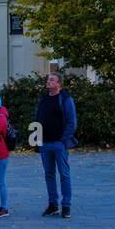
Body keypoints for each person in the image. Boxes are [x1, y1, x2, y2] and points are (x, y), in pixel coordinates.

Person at [35, 71, 77, 218]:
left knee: (64, 175)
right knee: (49, 174)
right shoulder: (44, 99)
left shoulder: (65, 99)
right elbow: (38, 119)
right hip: (44, 144)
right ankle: (53, 205)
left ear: (59, 84)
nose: (48, 82)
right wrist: (37, 141)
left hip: (59, 144)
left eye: (52, 80)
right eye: (48, 79)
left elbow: (72, 122)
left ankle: (66, 206)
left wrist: (64, 140)